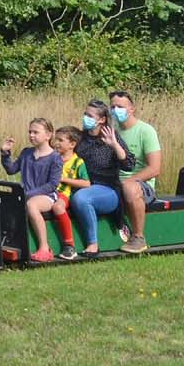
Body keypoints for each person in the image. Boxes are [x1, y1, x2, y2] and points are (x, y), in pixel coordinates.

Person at [103, 88, 163, 254]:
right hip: (115, 182)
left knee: (129, 187)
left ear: (131, 109)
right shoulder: (111, 131)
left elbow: (155, 168)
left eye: (120, 107)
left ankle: (138, 237)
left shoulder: (146, 131)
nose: (116, 110)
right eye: (113, 107)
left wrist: (130, 180)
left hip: (141, 186)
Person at [0, 119, 62, 264]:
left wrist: (29, 194)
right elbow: (11, 170)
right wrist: (5, 153)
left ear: (48, 135)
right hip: (26, 194)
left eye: (35, 132)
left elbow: (52, 184)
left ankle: (44, 248)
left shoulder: (55, 157)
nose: (31, 135)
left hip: (47, 196)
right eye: (30, 132)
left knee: (31, 205)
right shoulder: (26, 153)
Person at [68, 101, 124, 256]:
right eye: (85, 114)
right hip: (81, 185)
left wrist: (114, 145)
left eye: (90, 115)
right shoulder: (80, 139)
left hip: (108, 190)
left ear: (101, 120)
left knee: (81, 198)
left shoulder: (111, 137)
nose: (86, 118)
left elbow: (128, 164)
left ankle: (93, 244)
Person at [50, 125, 91, 260]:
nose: (56, 143)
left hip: (64, 194)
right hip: (48, 191)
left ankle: (69, 245)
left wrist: (64, 179)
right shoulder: (52, 157)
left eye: (61, 140)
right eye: (56, 139)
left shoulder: (78, 162)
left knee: (58, 207)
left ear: (72, 144)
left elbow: (86, 183)